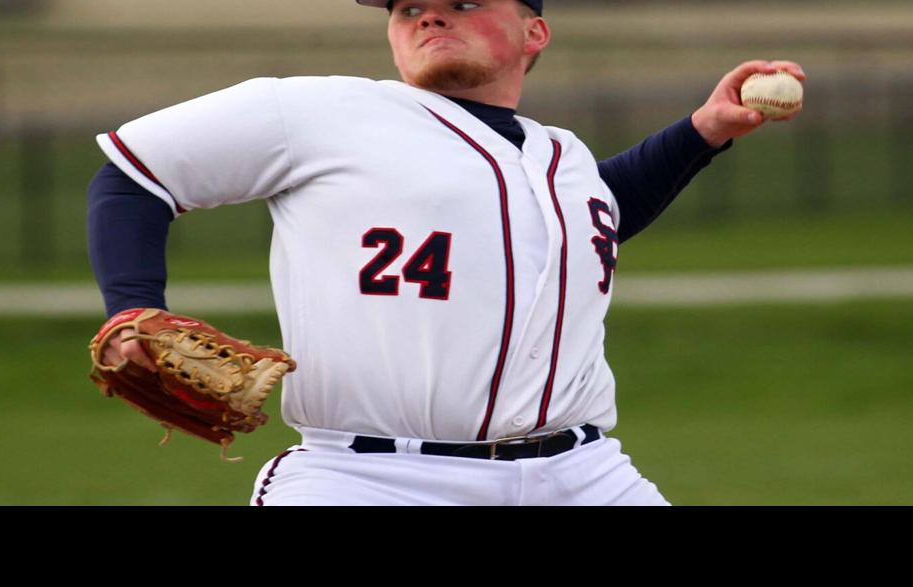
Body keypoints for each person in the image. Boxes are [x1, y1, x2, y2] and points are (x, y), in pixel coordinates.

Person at [88, 0, 804, 505]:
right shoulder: (317, 112)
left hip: (583, 475)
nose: (428, 16)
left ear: (534, 31)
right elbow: (133, 175)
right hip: (371, 482)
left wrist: (705, 129)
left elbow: (592, 217)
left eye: (461, 1)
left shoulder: (561, 155)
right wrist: (133, 310)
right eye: (407, 9)